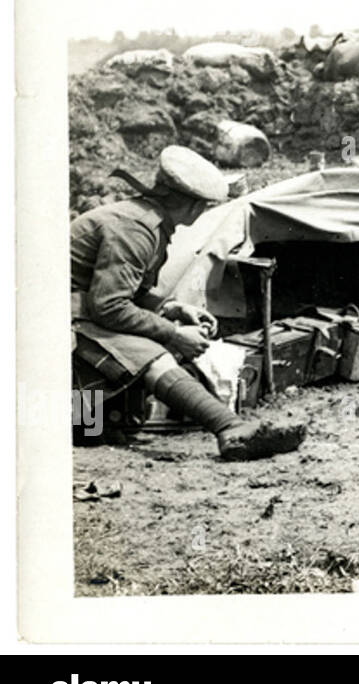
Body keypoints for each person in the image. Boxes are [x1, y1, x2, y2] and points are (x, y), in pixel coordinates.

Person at [71, 145, 307, 460]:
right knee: (153, 356)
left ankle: (86, 427)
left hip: (71, 313)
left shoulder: (144, 220)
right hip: (57, 323)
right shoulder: (135, 229)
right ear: (193, 206)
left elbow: (123, 293)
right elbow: (109, 306)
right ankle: (230, 429)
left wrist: (173, 310)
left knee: (107, 399)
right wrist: (173, 333)